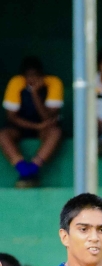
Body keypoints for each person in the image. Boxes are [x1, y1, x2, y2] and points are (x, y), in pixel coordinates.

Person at [0, 57, 63, 188]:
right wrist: (36, 126)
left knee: (56, 132)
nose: (32, 79)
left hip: (44, 127)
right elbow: (11, 117)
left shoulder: (53, 83)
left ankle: (33, 169)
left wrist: (35, 94)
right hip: (21, 126)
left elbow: (47, 117)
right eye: (29, 76)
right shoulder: (16, 83)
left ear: (42, 75)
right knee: (3, 135)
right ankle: (24, 171)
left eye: (36, 75)